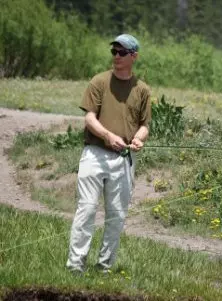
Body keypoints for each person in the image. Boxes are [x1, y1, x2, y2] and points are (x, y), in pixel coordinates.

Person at [66, 34, 151, 274]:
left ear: (133, 56)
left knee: (116, 216)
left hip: (124, 160)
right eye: (113, 51)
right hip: (94, 154)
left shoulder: (142, 90)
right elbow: (89, 118)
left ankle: (104, 267)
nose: (116, 56)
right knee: (87, 209)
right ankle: (75, 266)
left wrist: (138, 139)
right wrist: (107, 136)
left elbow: (145, 124)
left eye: (121, 53)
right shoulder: (99, 82)